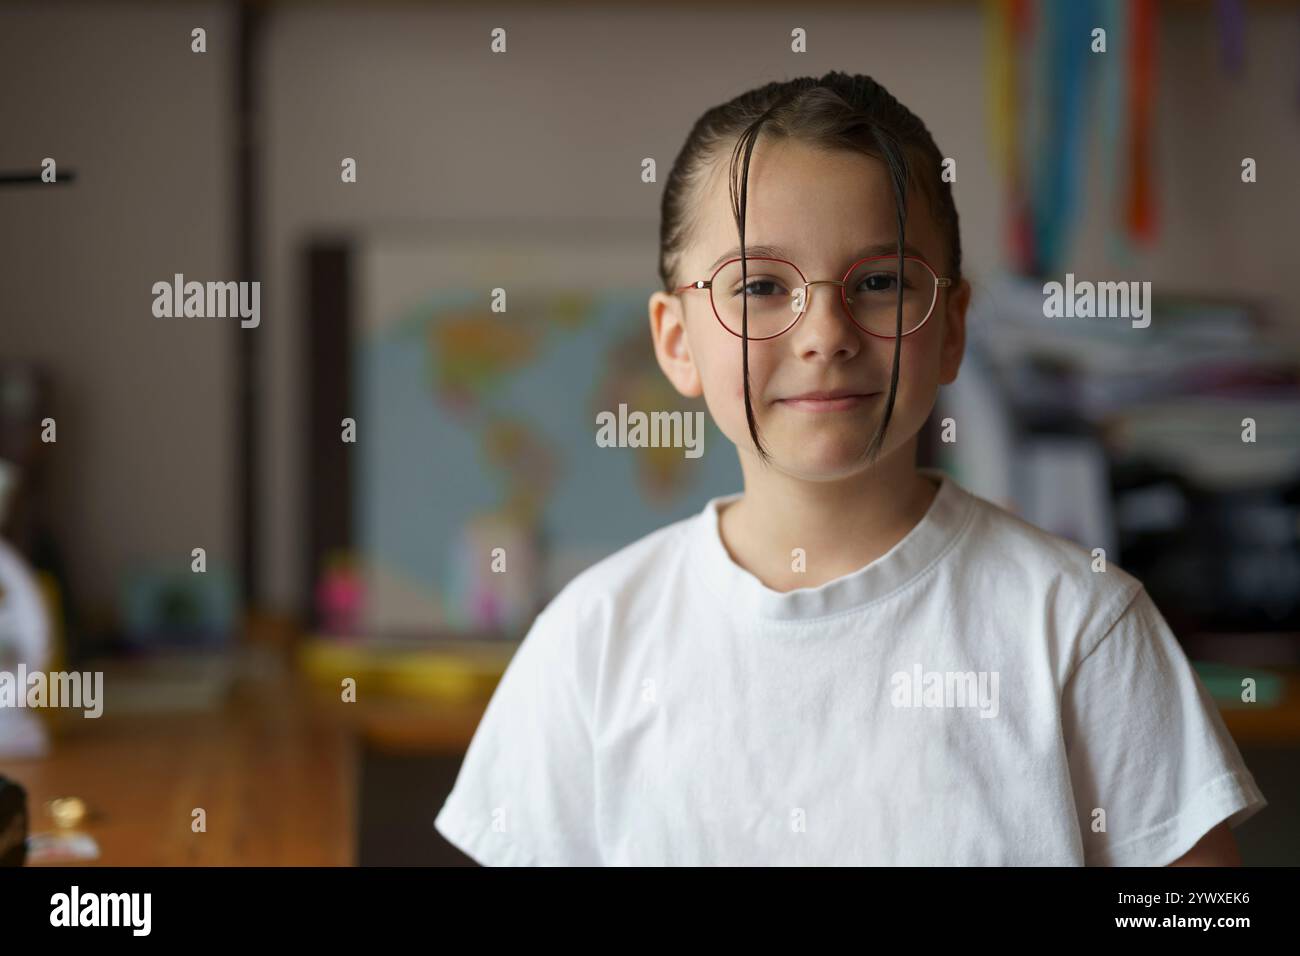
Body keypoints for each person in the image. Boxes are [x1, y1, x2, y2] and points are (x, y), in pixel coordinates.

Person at [434, 71, 1266, 865]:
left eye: (878, 282)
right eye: (759, 286)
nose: (824, 332)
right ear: (677, 341)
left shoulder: (1077, 626)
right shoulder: (592, 640)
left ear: (951, 329)